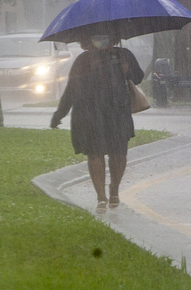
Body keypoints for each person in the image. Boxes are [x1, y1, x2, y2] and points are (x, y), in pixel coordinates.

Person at [50, 32, 144, 213]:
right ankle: (101, 196)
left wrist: (127, 70)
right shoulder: (83, 61)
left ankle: (114, 188)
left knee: (119, 155)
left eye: (105, 35)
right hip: (89, 113)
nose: (101, 40)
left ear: (114, 37)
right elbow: (71, 90)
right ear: (87, 40)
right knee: (95, 154)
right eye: (96, 36)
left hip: (117, 112)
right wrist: (59, 114)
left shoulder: (123, 55)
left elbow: (138, 77)